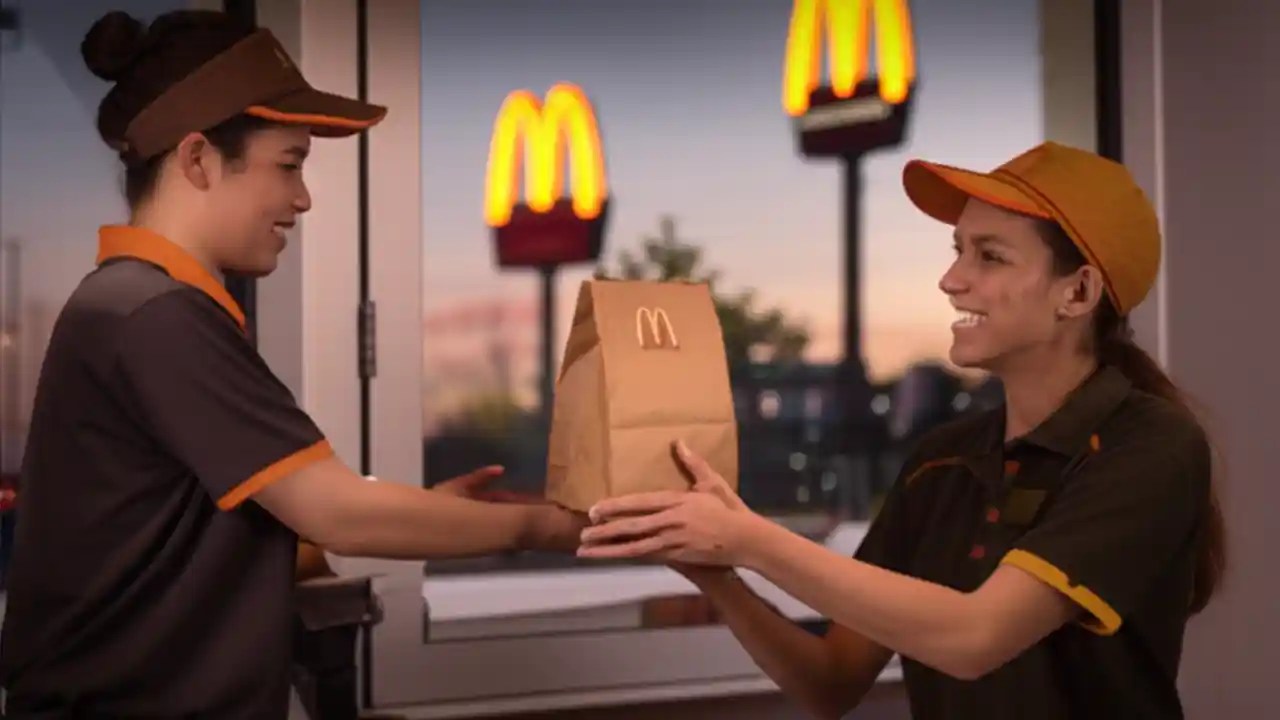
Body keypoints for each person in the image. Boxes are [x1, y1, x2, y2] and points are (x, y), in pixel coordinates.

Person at [0, 10, 584, 718]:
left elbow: (228, 531)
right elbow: (334, 512)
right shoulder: (155, 315)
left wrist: (430, 513)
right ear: (197, 159)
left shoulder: (135, 304)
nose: (302, 198)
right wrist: (545, 528)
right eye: (288, 164)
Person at [580, 142, 1226, 719]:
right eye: (958, 251)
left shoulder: (1149, 445)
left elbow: (975, 639)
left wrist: (749, 538)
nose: (952, 280)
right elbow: (830, 683)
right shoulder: (942, 460)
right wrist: (715, 571)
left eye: (990, 256)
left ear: (1078, 293)